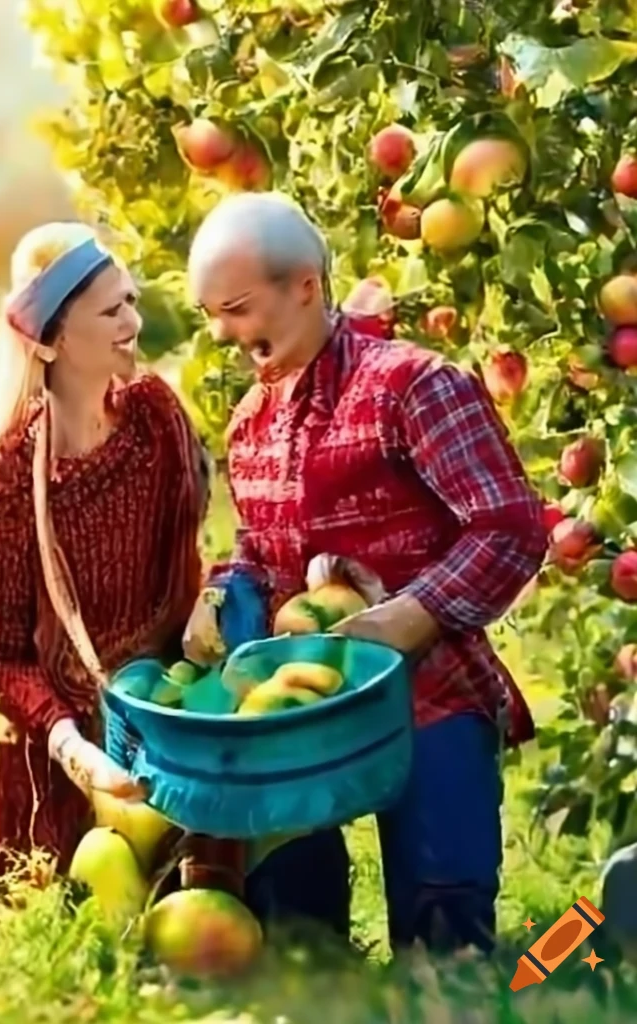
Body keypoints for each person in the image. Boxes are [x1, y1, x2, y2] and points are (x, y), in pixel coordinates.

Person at [182, 191, 548, 956]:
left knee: (447, 945)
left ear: (306, 286)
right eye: (212, 313)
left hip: (433, 700)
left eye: (238, 307)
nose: (222, 332)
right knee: (303, 945)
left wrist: (409, 616)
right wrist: (223, 589)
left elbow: (509, 524)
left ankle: (569, 954)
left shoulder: (412, 386)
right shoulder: (252, 420)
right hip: (307, 721)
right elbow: (262, 544)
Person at [0, 222, 224, 938]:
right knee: (28, 930)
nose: (134, 324)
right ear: (51, 339)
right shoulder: (5, 479)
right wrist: (76, 749)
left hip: (179, 727)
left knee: (205, 924)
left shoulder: (155, 416)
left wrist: (209, 606)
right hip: (69, 751)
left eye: (132, 302)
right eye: (112, 311)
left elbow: (191, 552)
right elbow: (5, 657)